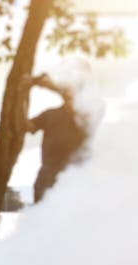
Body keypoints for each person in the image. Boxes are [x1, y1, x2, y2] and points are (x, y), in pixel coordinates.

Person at [22, 73, 90, 203]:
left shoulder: (84, 115)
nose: (69, 94)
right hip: (48, 171)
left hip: (73, 171)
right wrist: (22, 97)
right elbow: (28, 127)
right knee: (41, 201)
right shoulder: (50, 114)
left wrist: (50, 86)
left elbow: (75, 109)